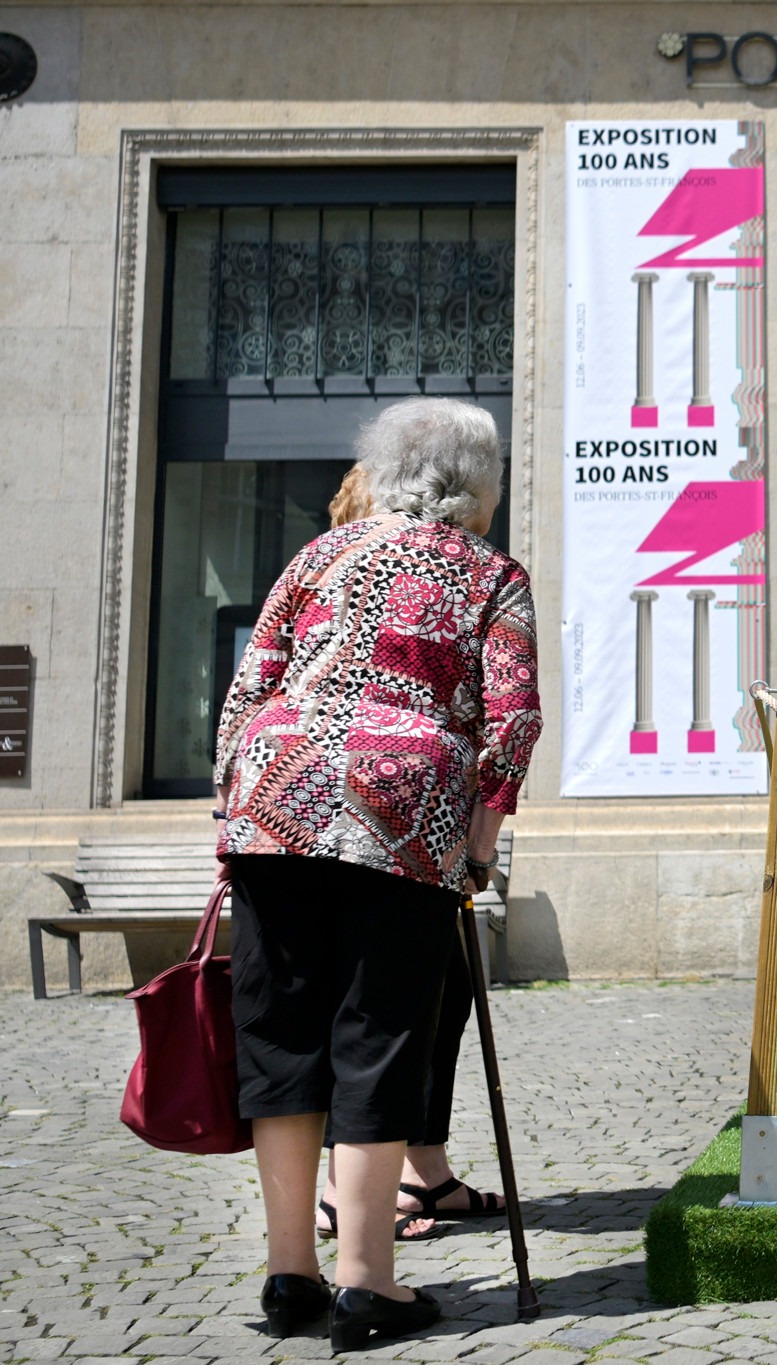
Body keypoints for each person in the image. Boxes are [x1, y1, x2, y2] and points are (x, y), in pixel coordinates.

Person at [214, 398, 541, 1348]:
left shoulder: (316, 555)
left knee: (280, 1033)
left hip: (274, 803)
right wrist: (478, 847)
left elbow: (249, 690)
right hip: (404, 817)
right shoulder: (490, 573)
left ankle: (290, 1275)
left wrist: (234, 815)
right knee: (377, 1032)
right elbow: (511, 722)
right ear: (480, 485)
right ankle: (366, 1282)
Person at [312, 464, 508, 1240]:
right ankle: (348, 1189)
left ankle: (425, 1168)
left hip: (431, 823)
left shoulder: (457, 576)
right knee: (368, 1006)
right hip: (363, 823)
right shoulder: (341, 572)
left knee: (443, 993)